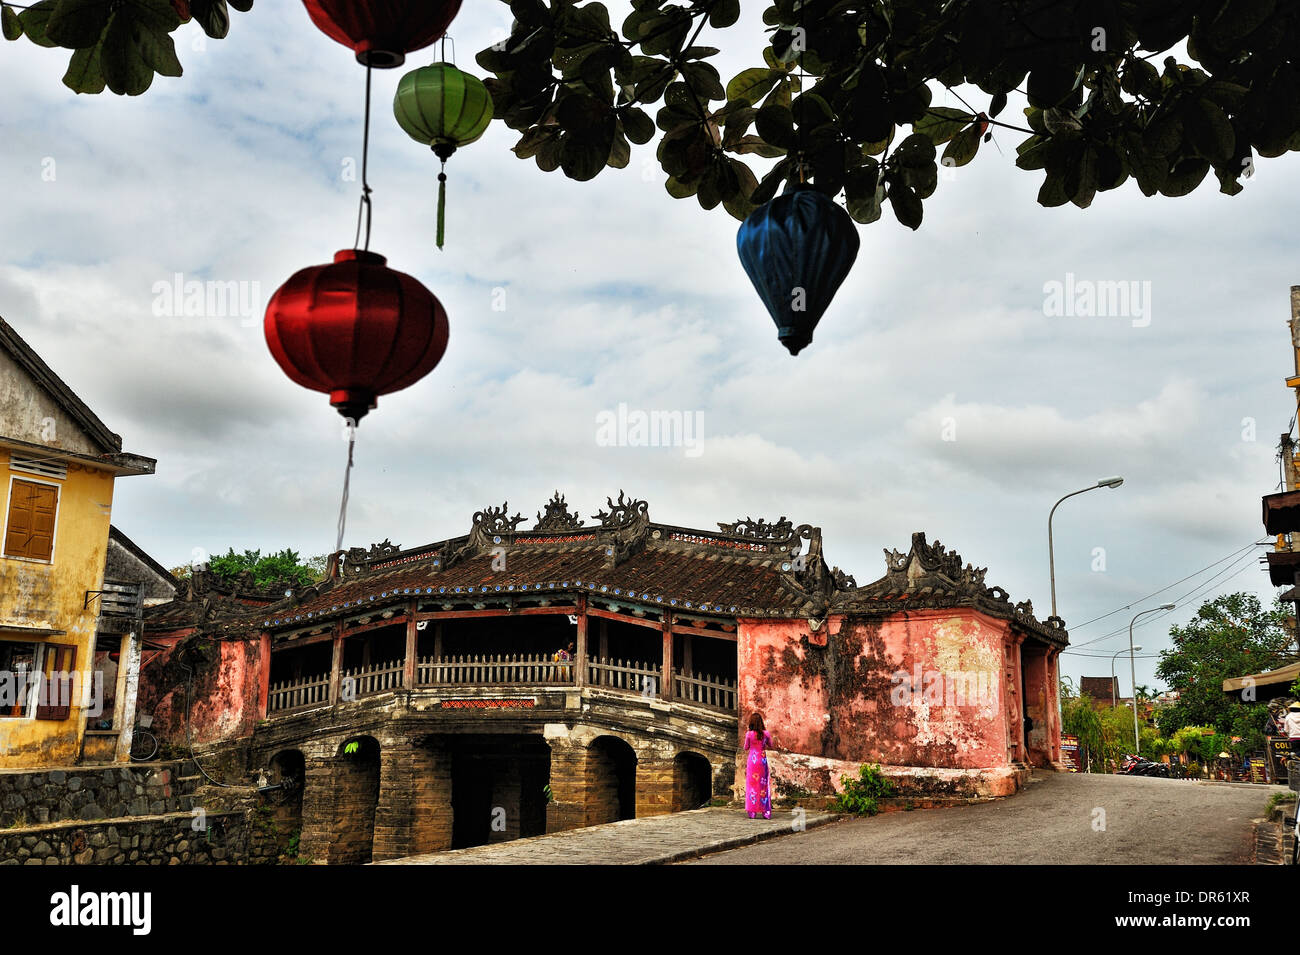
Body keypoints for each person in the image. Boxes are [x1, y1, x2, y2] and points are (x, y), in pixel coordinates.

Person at [743, 712, 774, 820]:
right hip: (762, 761)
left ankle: (752, 812)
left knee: (752, 787)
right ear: (761, 722)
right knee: (763, 786)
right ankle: (766, 812)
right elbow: (771, 745)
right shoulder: (766, 734)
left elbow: (745, 747)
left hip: (752, 761)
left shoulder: (749, 734)